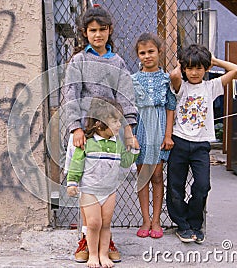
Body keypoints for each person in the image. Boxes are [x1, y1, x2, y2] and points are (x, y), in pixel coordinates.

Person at [61, 5, 138, 263]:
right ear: (85, 33)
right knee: (86, 185)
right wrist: (76, 127)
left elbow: (126, 96)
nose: (98, 35)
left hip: (110, 133)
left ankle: (106, 237)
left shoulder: (117, 62)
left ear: (109, 31)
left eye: (102, 30)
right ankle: (86, 237)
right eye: (92, 30)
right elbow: (70, 94)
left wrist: (128, 131)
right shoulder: (79, 61)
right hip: (84, 132)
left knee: (106, 185)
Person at [167, 44, 237, 243]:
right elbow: (174, 75)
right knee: (175, 187)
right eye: (190, 68)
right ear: (184, 68)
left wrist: (213, 61)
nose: (194, 72)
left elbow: (235, 69)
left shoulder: (211, 86)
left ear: (206, 69)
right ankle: (182, 225)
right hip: (179, 142)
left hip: (201, 145)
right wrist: (182, 63)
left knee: (202, 186)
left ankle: (195, 223)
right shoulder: (181, 86)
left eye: (199, 68)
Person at [66, 97, 139, 268]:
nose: (119, 125)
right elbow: (77, 164)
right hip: (90, 191)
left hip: (109, 191)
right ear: (99, 123)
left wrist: (134, 149)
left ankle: (103, 254)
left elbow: (126, 162)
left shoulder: (117, 144)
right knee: (93, 224)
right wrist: (72, 183)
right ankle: (92, 255)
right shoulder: (87, 144)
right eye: (115, 121)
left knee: (105, 224)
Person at [131, 32, 176, 239]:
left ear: (159, 52)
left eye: (151, 51)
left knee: (157, 175)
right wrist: (131, 135)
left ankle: (157, 220)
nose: (147, 56)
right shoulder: (133, 80)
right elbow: (129, 109)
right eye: (142, 53)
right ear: (138, 56)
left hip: (158, 127)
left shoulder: (167, 79)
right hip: (141, 128)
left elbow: (170, 106)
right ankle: (145, 219)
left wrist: (168, 135)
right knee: (143, 177)